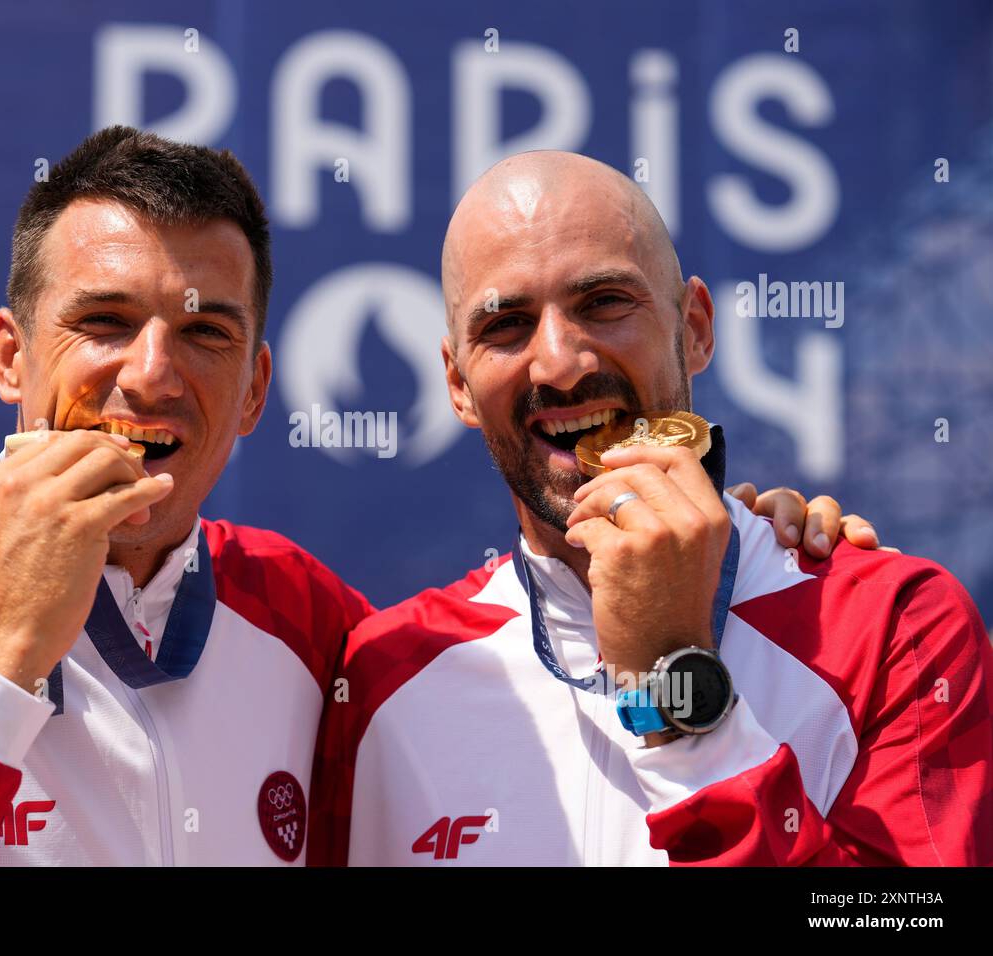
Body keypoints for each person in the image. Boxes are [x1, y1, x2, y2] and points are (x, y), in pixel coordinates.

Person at [0, 129, 873, 867]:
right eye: (103, 321)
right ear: (9, 355)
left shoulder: (319, 629)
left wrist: (755, 551)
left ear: (256, 387)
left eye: (205, 330)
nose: (151, 373)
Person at [308, 151, 993, 866]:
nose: (560, 364)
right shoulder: (382, 677)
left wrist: (676, 687)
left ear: (694, 327)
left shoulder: (894, 626)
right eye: (506, 324)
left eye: (604, 303)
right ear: (457, 383)